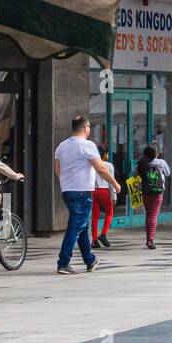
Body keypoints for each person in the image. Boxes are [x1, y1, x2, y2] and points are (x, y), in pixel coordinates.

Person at [54, 116, 119, 274]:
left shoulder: (61, 146)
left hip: (67, 190)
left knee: (83, 226)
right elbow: (101, 169)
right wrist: (115, 183)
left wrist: (67, 182)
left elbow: (58, 170)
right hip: (82, 191)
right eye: (89, 126)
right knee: (75, 227)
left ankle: (90, 260)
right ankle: (63, 262)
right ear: (85, 128)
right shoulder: (87, 145)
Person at [136, 145, 171, 250]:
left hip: (146, 191)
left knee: (149, 214)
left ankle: (148, 237)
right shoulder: (161, 163)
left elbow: (133, 173)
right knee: (154, 215)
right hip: (158, 192)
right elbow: (168, 173)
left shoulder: (142, 164)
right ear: (156, 154)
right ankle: (150, 240)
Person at [90, 143, 115, 250]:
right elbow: (111, 181)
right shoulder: (109, 165)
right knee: (109, 213)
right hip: (104, 191)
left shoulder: (91, 164)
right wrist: (114, 196)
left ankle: (94, 240)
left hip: (93, 191)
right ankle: (103, 234)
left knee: (94, 216)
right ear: (105, 154)